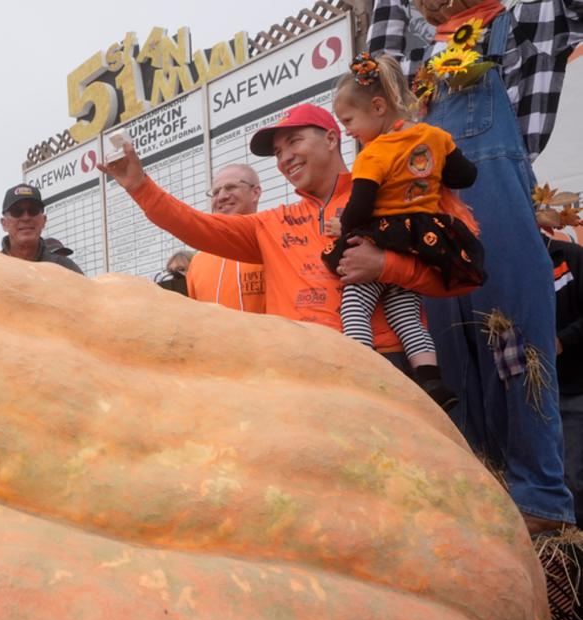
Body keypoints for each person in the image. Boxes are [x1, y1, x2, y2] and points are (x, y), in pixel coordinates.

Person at [370, 0, 581, 532]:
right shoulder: (414, 52)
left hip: (496, 186)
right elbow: (379, 52)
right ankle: (479, 491)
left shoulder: (527, 25)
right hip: (429, 202)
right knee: (451, 345)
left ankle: (539, 496)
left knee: (514, 338)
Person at [98, 102, 478, 372]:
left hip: (383, 365)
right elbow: (194, 224)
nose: (284, 158)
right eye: (278, 152)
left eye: (294, 142)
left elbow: (462, 277)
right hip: (296, 372)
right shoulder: (271, 223)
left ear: (331, 138)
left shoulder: (391, 197)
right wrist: (139, 186)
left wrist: (386, 265)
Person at [322, 53, 484, 409]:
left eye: (348, 120)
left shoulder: (374, 153)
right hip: (423, 241)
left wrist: (342, 227)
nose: (348, 130)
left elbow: (362, 205)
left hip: (382, 236)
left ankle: (365, 374)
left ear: (377, 106)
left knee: (354, 307)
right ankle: (431, 381)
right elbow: (465, 176)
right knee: (406, 313)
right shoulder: (435, 136)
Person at [185, 164, 266, 313]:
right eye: (215, 192)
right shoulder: (198, 260)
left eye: (231, 187)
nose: (222, 197)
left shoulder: (275, 242)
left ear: (255, 193)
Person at [547, 236, 583, 526]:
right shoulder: (509, 269)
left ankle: (575, 544)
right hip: (538, 391)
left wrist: (563, 340)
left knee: (572, 475)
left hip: (575, 385)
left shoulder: (572, 257)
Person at [0, 184, 83, 274]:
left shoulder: (65, 268)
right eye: (17, 212)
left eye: (33, 210)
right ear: (4, 223)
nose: (26, 218)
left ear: (44, 221)